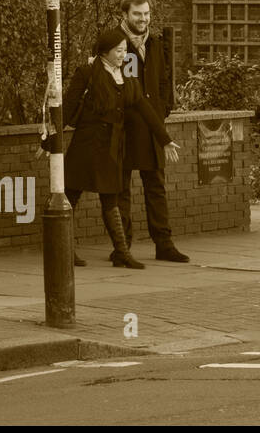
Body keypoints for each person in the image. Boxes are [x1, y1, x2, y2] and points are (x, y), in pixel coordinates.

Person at [62, 27, 180, 268]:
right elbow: (67, 106)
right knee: (70, 197)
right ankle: (65, 249)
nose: (123, 56)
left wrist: (164, 138)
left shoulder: (125, 77)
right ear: (104, 51)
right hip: (86, 146)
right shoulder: (87, 73)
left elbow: (145, 109)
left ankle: (122, 253)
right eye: (119, 51)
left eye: (125, 51)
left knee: (110, 200)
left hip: (112, 147)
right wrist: (48, 141)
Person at [115, 0, 189, 263]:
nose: (143, 19)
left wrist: (162, 110)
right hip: (122, 128)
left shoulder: (156, 44)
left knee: (156, 186)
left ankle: (164, 244)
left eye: (146, 14)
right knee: (120, 189)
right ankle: (122, 247)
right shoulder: (113, 43)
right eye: (137, 14)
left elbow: (162, 81)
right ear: (124, 15)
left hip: (151, 127)